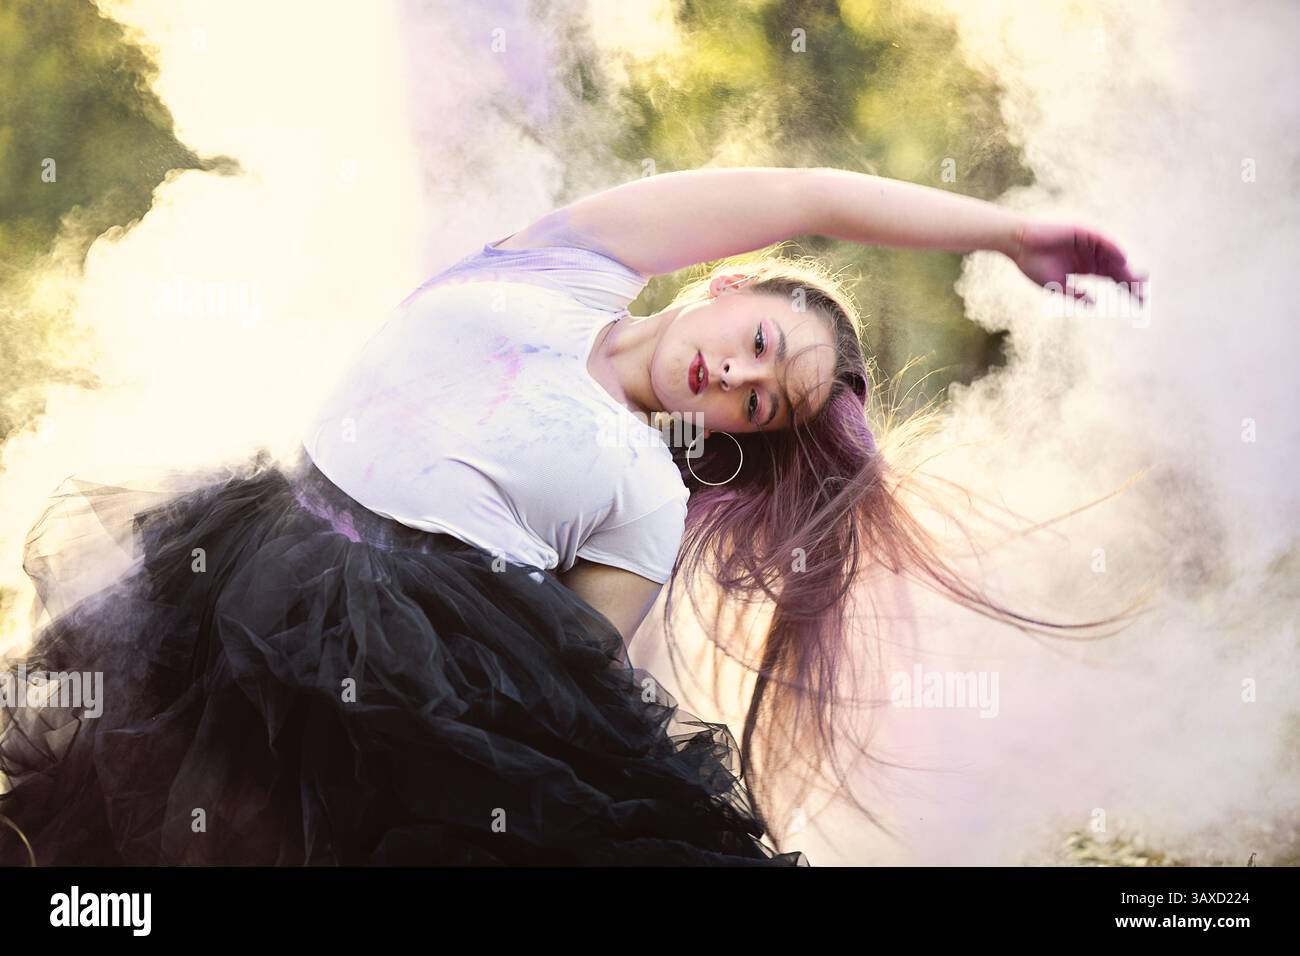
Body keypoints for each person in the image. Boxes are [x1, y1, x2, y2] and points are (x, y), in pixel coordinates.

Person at [0, 167, 1146, 866]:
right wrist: (1002, 231)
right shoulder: (567, 261)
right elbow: (807, 192)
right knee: (113, 817)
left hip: (409, 666)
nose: (737, 379)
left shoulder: (646, 495)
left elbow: (571, 678)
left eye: (761, 400)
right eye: (757, 344)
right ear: (727, 284)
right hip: (257, 559)